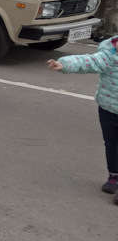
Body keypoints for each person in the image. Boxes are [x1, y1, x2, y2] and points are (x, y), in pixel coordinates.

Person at [46, 38, 118, 200]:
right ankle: (113, 176)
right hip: (108, 109)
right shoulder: (109, 56)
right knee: (111, 145)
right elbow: (87, 61)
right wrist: (64, 64)